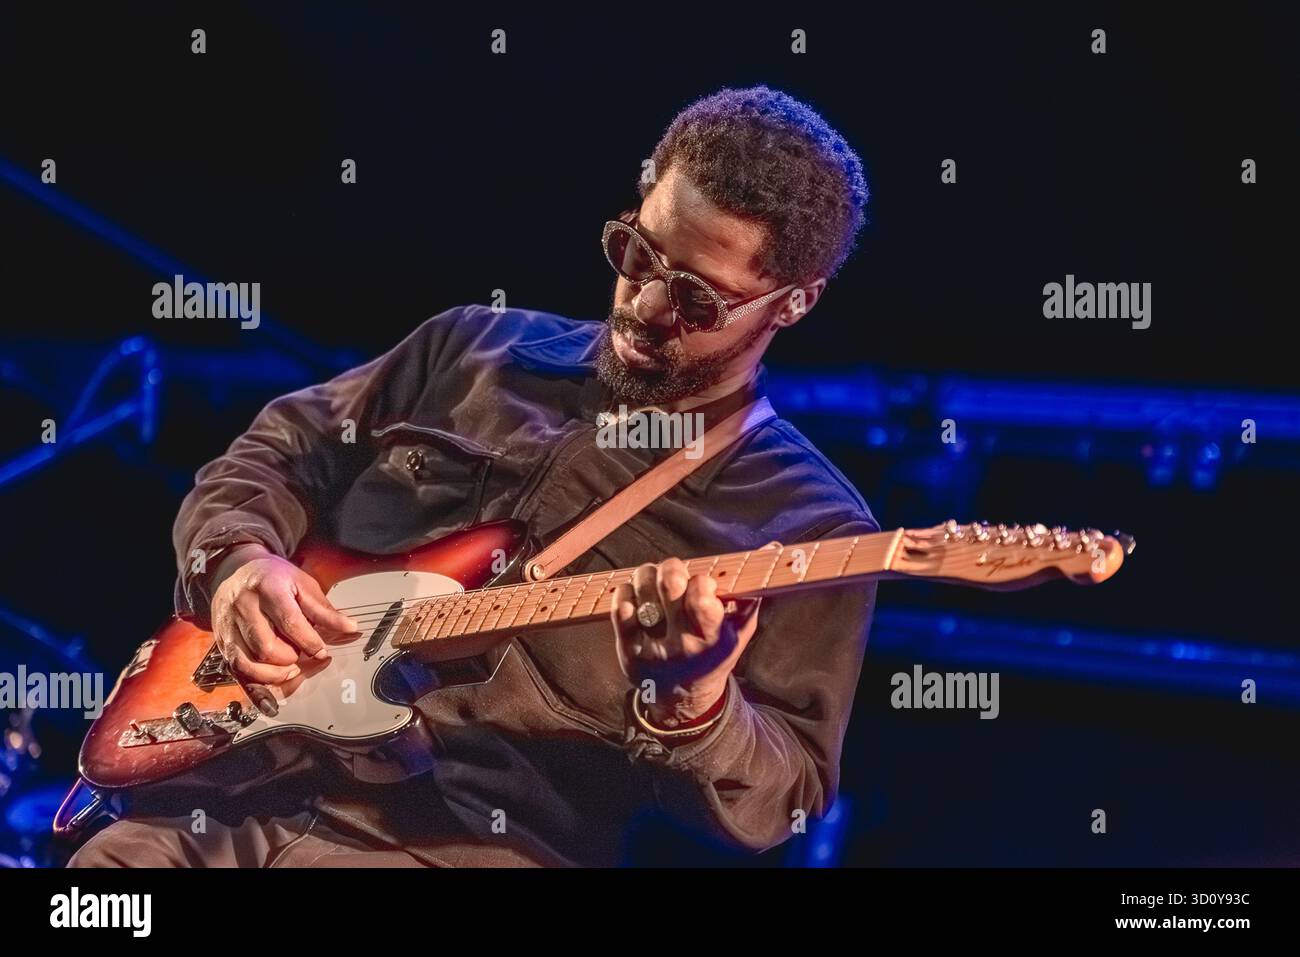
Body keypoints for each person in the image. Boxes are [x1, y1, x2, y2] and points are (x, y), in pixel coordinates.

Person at [71, 85, 878, 867]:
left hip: (455, 844)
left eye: (697, 300)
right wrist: (241, 565)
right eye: (636, 252)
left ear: (792, 303)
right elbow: (276, 452)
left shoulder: (811, 522)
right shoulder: (470, 348)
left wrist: (694, 704)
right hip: (224, 799)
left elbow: (791, 795)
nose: (643, 305)